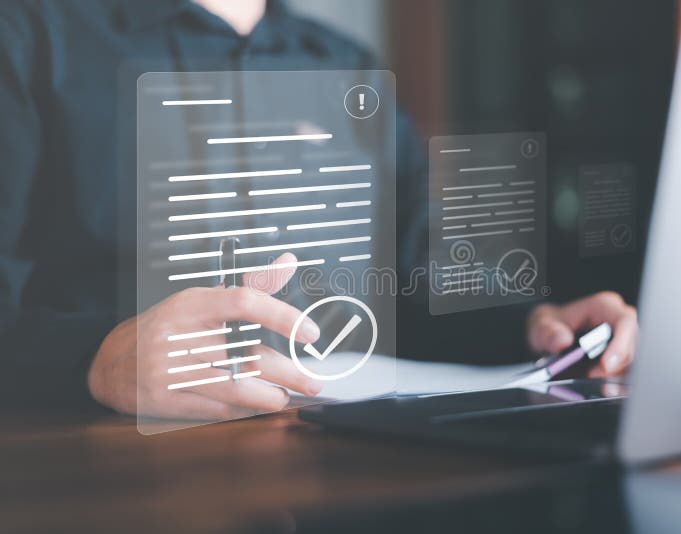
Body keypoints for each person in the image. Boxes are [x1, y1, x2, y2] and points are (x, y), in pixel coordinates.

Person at [0, 0, 637, 418]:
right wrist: (93, 357)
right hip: (98, 470)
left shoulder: (345, 63)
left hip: (343, 460)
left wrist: (535, 324)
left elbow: (412, 277)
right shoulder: (26, 39)